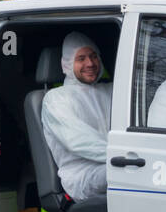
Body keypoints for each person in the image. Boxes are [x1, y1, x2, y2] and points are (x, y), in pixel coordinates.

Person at [41, 32, 112, 203]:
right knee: (132, 173)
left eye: (93, 56)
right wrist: (122, 156)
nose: (90, 63)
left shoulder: (111, 90)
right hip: (82, 176)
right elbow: (78, 141)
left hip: (115, 163)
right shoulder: (56, 99)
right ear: (67, 64)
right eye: (81, 58)